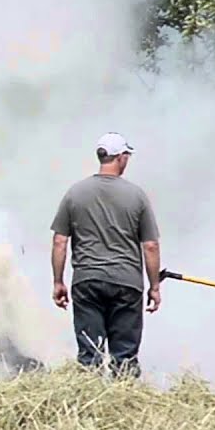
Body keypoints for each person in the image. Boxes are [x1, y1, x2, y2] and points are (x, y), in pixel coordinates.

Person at [50, 132, 161, 377]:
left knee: (90, 354)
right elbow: (150, 245)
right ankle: (122, 403)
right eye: (127, 156)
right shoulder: (137, 195)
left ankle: (90, 405)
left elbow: (60, 241)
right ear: (120, 157)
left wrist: (58, 282)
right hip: (126, 284)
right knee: (124, 356)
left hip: (87, 281)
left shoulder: (75, 193)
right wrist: (154, 286)